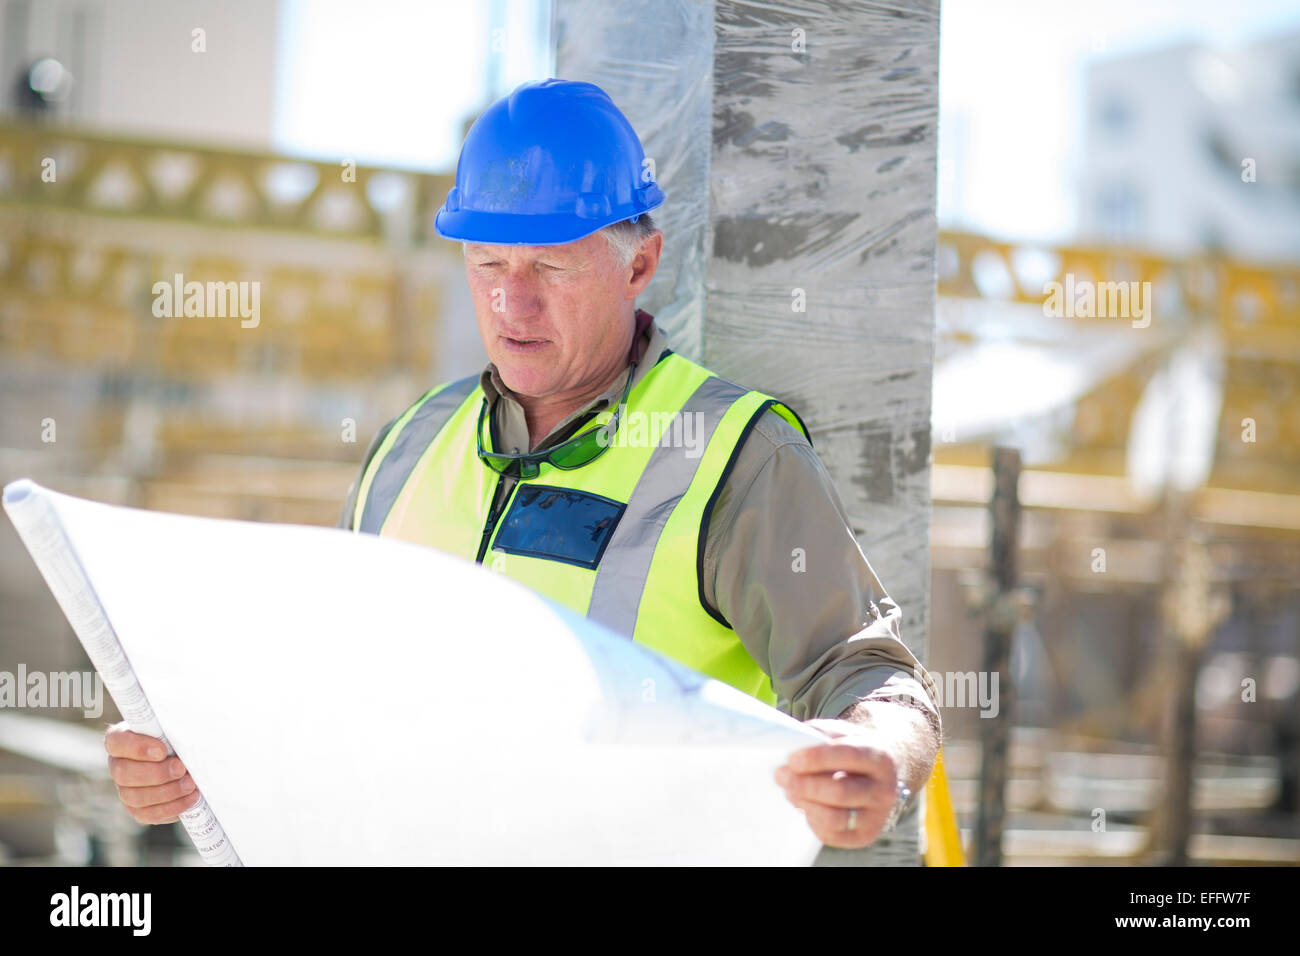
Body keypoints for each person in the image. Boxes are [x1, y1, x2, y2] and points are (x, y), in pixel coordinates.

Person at [105, 78, 942, 853]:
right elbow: (331, 688)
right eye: (488, 264)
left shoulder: (732, 454)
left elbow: (871, 677)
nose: (512, 305)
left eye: (549, 265)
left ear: (638, 265)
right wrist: (196, 752)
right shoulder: (408, 446)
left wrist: (879, 753)